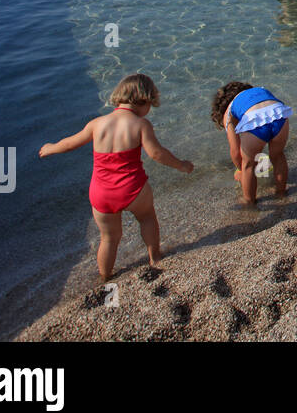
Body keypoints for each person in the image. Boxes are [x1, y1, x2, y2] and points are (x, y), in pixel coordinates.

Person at [39, 73, 193, 281]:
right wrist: (181, 165)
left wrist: (51, 148)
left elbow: (69, 144)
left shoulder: (97, 123)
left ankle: (105, 276)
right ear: (145, 100)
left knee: (109, 238)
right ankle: (155, 257)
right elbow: (157, 154)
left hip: (101, 192)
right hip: (133, 188)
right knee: (147, 218)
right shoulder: (141, 124)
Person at [211, 82, 292, 204]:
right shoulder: (259, 90)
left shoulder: (228, 111)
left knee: (248, 164)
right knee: (278, 156)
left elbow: (235, 151)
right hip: (278, 114)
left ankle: (249, 202)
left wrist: (241, 170)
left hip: (254, 118)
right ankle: (281, 193)